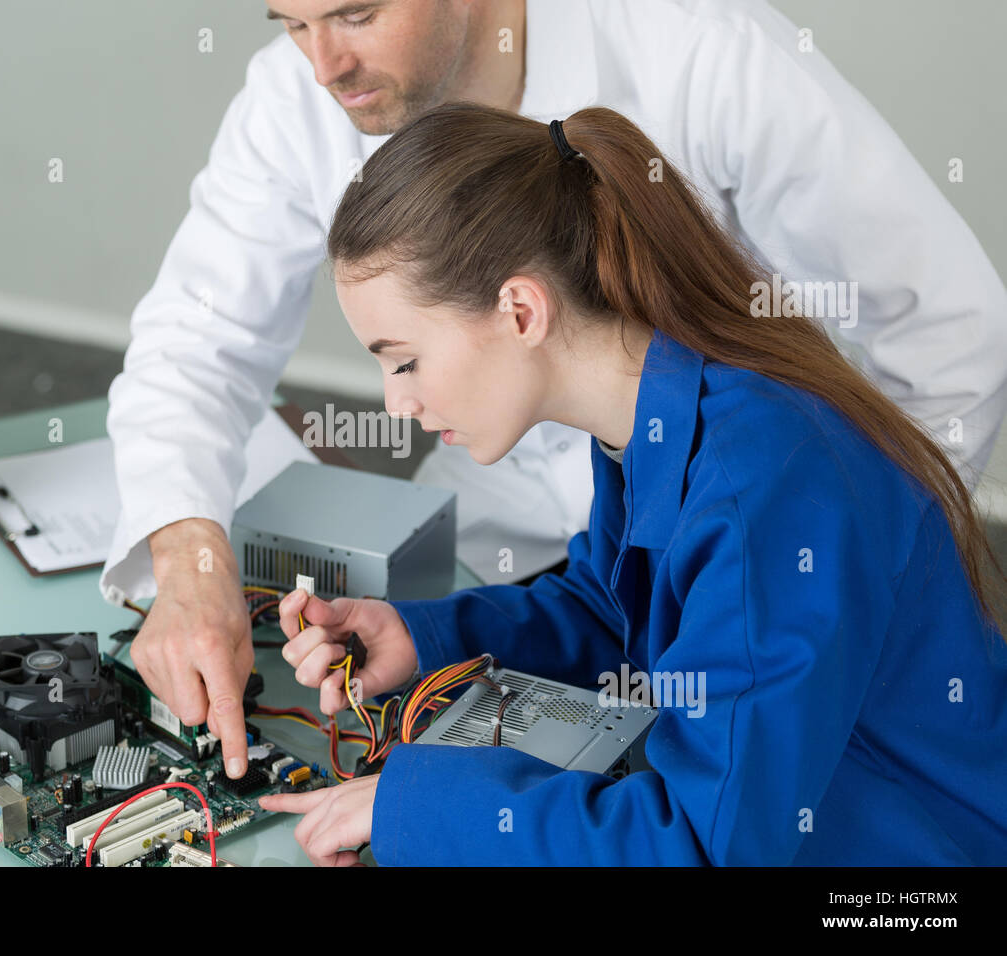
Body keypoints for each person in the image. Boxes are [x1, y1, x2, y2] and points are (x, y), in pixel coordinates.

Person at [105, 0, 1007, 782]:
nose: (322, 64)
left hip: (753, 559)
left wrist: (850, 571)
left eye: (355, 13)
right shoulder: (295, 96)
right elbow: (193, 341)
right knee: (404, 735)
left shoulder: (700, 53)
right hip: (579, 570)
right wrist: (195, 571)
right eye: (292, 24)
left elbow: (950, 328)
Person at [256, 103, 1007, 865]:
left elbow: (703, 846)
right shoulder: (653, 416)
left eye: (404, 359)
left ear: (521, 310)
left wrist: (413, 805)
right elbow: (617, 615)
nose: (395, 403)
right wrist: (425, 638)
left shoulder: (764, 490)